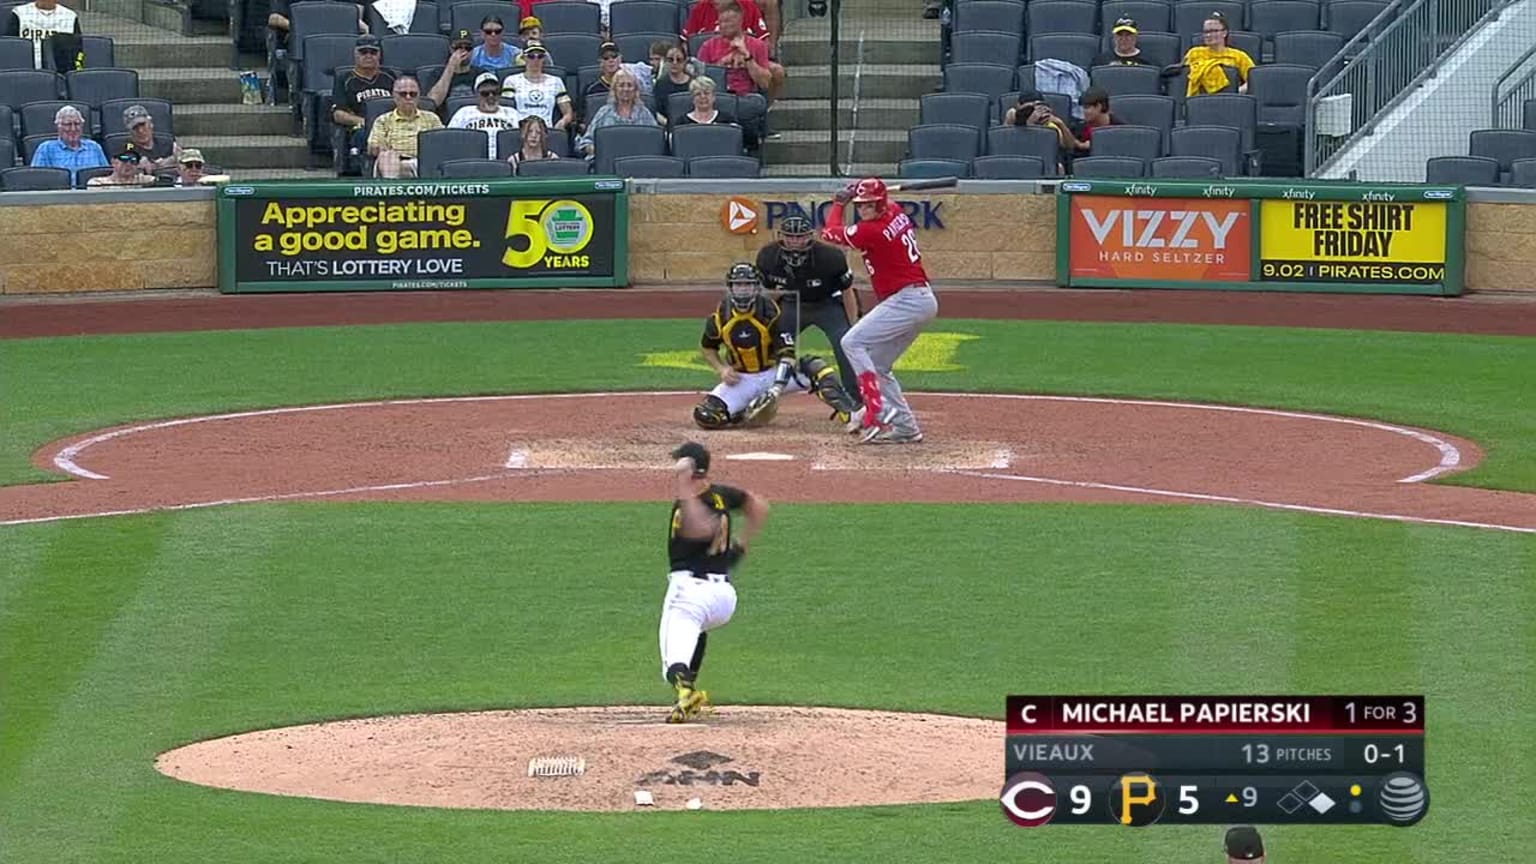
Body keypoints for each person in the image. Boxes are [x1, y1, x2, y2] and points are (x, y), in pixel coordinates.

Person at [819, 177, 940, 444]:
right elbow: (880, 203)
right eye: (861, 205)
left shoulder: (870, 231)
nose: (863, 210)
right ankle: (906, 427)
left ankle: (876, 410)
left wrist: (839, 203)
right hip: (917, 299)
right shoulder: (895, 211)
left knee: (852, 341)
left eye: (869, 205)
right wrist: (861, 192)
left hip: (907, 299)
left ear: (881, 203)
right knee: (879, 365)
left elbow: (829, 233)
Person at [658, 440, 769, 724]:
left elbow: (701, 527)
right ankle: (687, 695)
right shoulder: (720, 495)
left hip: (689, 593)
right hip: (722, 599)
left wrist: (683, 486)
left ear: (689, 468)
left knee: (673, 661)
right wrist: (742, 545)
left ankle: (685, 691)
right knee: (696, 630)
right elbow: (758, 505)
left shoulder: (692, 504)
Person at [691, 262, 858, 430]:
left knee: (816, 367)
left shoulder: (772, 313)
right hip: (742, 379)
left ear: (756, 287)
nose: (743, 289)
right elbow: (708, 347)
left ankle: (850, 414)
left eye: (748, 285)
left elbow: (788, 354)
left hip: (775, 374)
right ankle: (741, 414)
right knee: (706, 416)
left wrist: (776, 388)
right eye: (738, 284)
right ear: (731, 287)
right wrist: (722, 369)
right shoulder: (719, 318)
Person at [755, 214, 861, 408]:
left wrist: (852, 325)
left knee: (846, 345)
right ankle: (761, 395)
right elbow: (768, 294)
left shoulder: (831, 257)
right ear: (780, 235)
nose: (795, 241)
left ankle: (856, 400)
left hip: (827, 304)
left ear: (810, 236)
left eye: (801, 236)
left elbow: (847, 291)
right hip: (791, 304)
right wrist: (765, 322)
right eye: (790, 236)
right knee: (768, 346)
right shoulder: (768, 256)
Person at [332, 35, 397, 170]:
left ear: (380, 55)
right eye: (363, 52)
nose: (368, 56)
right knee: (363, 135)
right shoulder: (345, 79)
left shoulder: (390, 76)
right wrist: (363, 121)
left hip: (392, 125)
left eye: (373, 52)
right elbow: (338, 114)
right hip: (363, 127)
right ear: (355, 54)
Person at [368, 74, 442, 177]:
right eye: (403, 94)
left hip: (422, 163)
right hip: (392, 161)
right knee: (387, 156)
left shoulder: (432, 118)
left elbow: (442, 144)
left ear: (419, 96)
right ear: (394, 96)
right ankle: (392, 187)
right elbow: (374, 146)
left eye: (413, 94)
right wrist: (381, 148)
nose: (408, 97)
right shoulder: (383, 120)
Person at [576, 68, 658, 159]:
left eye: (630, 85)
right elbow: (585, 142)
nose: (626, 89)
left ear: (636, 90)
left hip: (637, 163)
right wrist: (598, 151)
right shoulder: (603, 112)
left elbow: (655, 142)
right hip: (607, 162)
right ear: (614, 89)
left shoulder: (644, 113)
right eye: (621, 85)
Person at [501, 40, 575, 131]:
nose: (536, 60)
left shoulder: (556, 81)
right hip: (520, 129)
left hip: (546, 129)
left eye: (540, 56)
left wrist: (562, 122)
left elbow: (567, 112)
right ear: (524, 57)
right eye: (531, 56)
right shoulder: (511, 81)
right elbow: (506, 110)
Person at [29, 105, 106, 188]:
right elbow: (36, 181)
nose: (73, 129)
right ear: (58, 127)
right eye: (68, 124)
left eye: (77, 124)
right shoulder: (45, 149)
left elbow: (106, 177)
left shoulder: (94, 147)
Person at [450, 72, 522, 158]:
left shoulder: (512, 113)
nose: (491, 96)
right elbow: (451, 141)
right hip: (473, 161)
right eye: (485, 93)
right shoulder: (463, 113)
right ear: (476, 95)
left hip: (506, 161)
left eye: (495, 92)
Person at [1183, 11, 1254, 96]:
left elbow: (1253, 80)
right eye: (1206, 31)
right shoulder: (1194, 53)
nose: (1208, 35)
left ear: (1224, 33)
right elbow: (1183, 80)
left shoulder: (1239, 56)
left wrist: (1236, 92)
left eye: (1214, 31)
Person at [2, 0, 80, 69]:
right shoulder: (19, 13)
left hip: (59, 70)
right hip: (26, 69)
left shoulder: (70, 16)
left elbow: (78, 51)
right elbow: (10, 47)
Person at [427, 29, 486, 110]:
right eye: (458, 47)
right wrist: (451, 66)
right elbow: (433, 102)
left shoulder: (482, 74)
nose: (463, 51)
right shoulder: (437, 73)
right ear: (450, 49)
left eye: (468, 47)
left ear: (473, 50)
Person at [121, 104, 180, 174]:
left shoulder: (167, 143)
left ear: (151, 124)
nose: (140, 131)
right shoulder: (128, 147)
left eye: (143, 125)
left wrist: (174, 159)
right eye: (135, 128)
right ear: (129, 131)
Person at [653, 41, 696, 124]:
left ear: (685, 61)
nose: (674, 63)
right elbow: (656, 111)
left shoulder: (693, 83)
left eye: (679, 60)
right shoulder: (660, 84)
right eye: (670, 60)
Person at [86, 141, 155, 187]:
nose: (128, 164)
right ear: (113, 162)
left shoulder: (143, 180)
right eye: (124, 159)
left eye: (133, 160)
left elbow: (163, 181)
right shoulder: (99, 184)